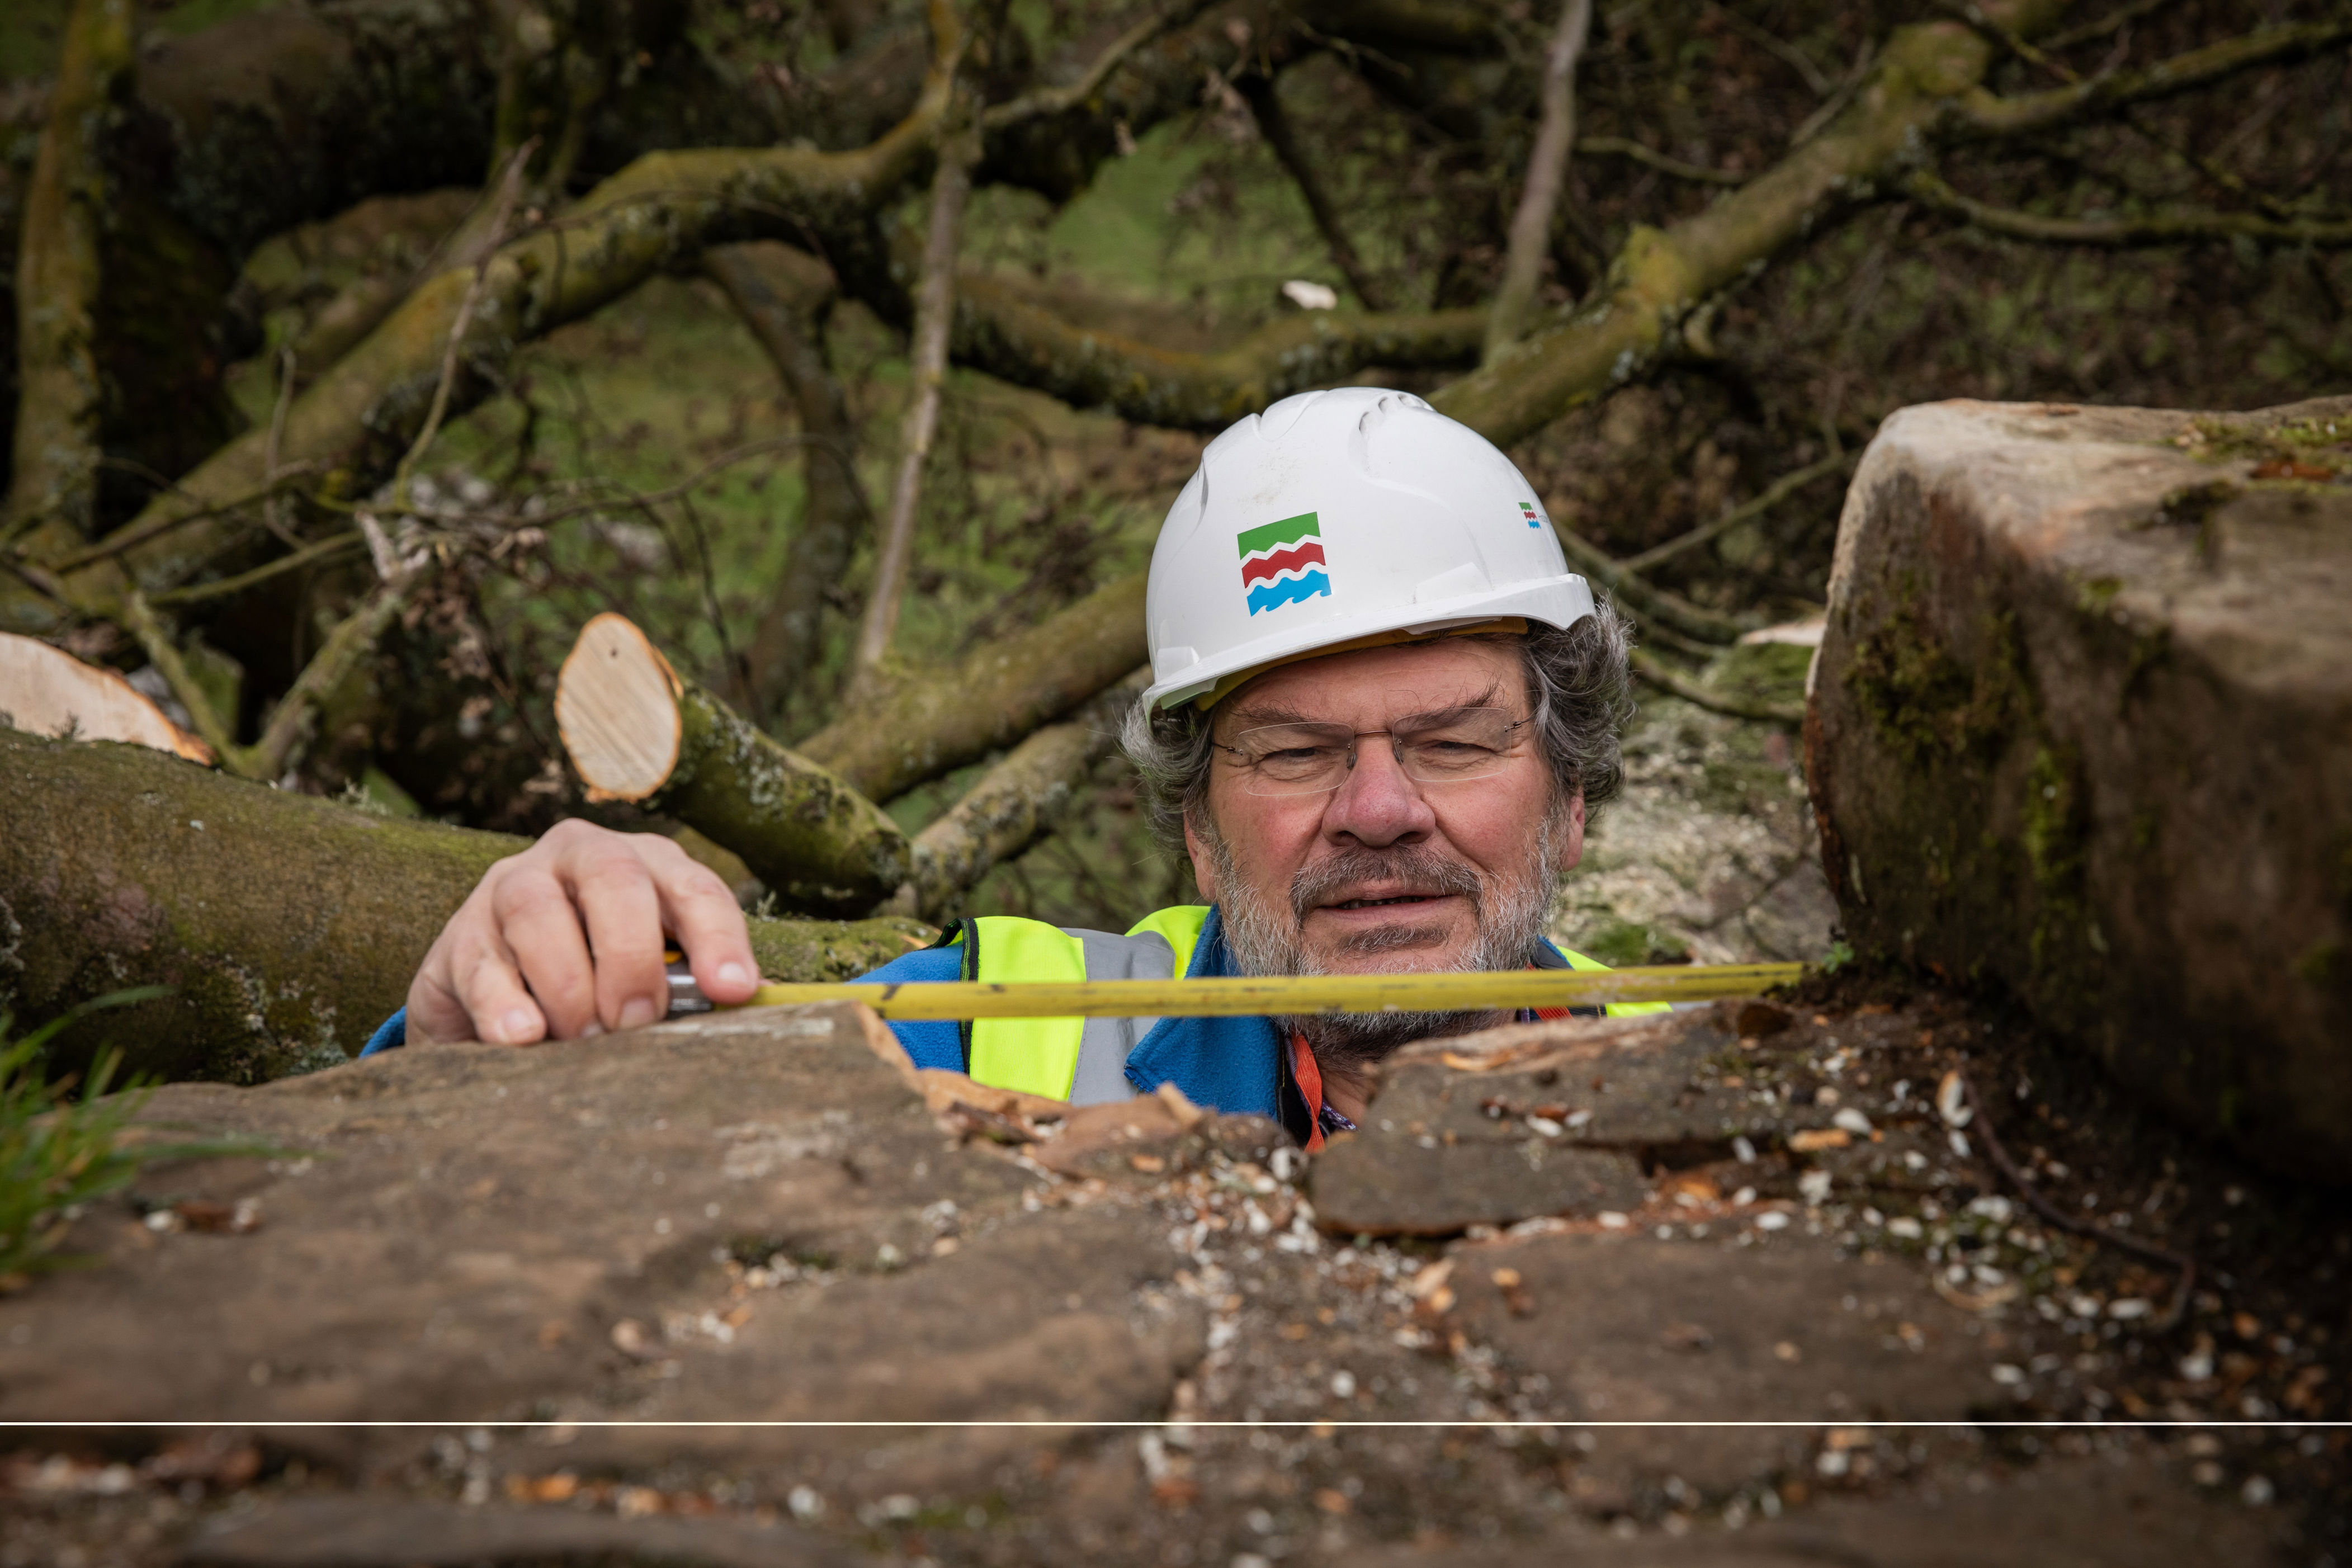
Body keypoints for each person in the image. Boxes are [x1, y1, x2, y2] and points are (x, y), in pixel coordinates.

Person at [373, 387, 1656, 1149]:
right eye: (1296, 753)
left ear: (1571, 795)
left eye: (1451, 740)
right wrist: (459, 1031)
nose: (1380, 810)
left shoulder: (1723, 1059)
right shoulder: (986, 1029)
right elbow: (474, 1174)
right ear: (1201, 833)